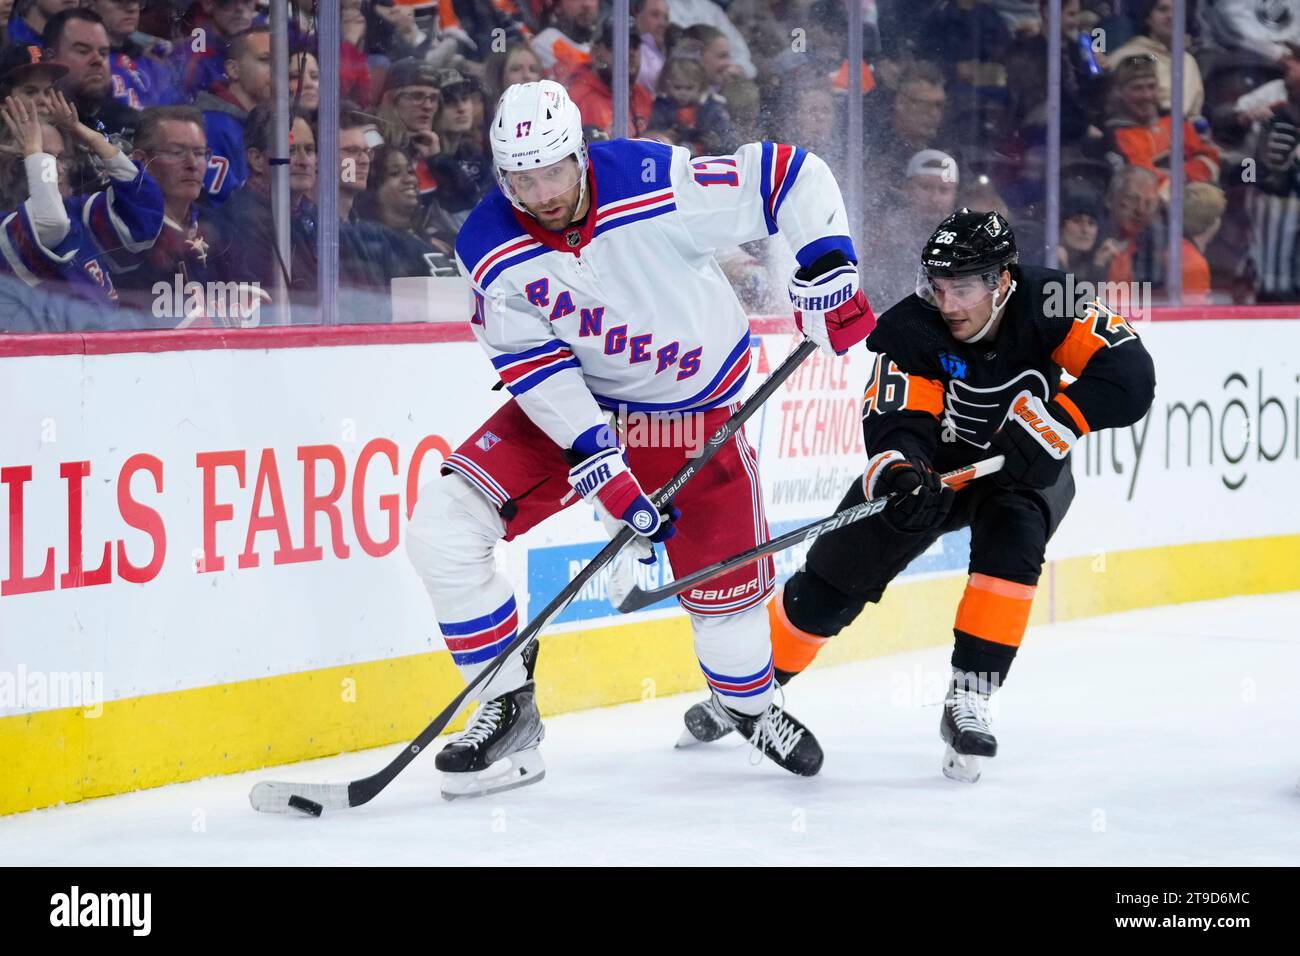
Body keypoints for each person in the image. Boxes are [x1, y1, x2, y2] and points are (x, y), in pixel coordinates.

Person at [405, 79, 876, 798]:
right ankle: (507, 710)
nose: (543, 192)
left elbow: (790, 175)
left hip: (694, 417)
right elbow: (535, 365)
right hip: (578, 408)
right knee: (442, 528)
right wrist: (600, 463)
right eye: (521, 178)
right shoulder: (487, 244)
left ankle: (749, 708)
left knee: (731, 624)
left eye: (554, 171)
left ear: (580, 154)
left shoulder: (653, 181)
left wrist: (828, 265)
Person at [680, 209, 1156, 784]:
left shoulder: (1052, 300)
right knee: (836, 573)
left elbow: (1129, 375)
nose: (948, 303)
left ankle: (970, 698)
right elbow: (898, 418)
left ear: (1002, 281)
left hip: (1024, 462)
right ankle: (751, 692)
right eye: (938, 285)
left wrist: (1061, 421)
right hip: (934, 470)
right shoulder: (912, 327)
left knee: (1014, 544)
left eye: (963, 288)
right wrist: (903, 469)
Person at [0, 90, 162, 330]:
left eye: (61, 157)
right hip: (50, 359)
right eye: (44, 157)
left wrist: (90, 137)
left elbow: (145, 215)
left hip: (103, 351)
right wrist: (35, 153)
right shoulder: (7, 227)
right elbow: (50, 223)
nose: (60, 169)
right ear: (11, 167)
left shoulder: (75, 212)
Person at [42, 8, 138, 138]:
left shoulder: (130, 124)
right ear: (50, 58)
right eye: (83, 51)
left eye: (103, 53)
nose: (98, 60)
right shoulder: (36, 125)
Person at [564, 18, 653, 137]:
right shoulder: (577, 100)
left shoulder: (643, 96)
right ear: (596, 52)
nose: (630, 52)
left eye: (635, 45)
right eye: (619, 45)